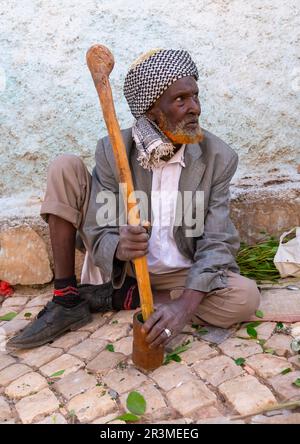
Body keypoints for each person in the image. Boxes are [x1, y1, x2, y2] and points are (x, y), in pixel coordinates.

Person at [8, 49, 260, 350]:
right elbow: (98, 229)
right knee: (65, 166)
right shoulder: (114, 150)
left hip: (180, 274)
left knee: (246, 298)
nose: (194, 108)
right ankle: (67, 300)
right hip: (126, 268)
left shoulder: (218, 157)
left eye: (195, 96)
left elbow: (217, 242)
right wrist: (119, 247)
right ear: (152, 109)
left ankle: (119, 297)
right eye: (180, 100)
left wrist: (184, 308)